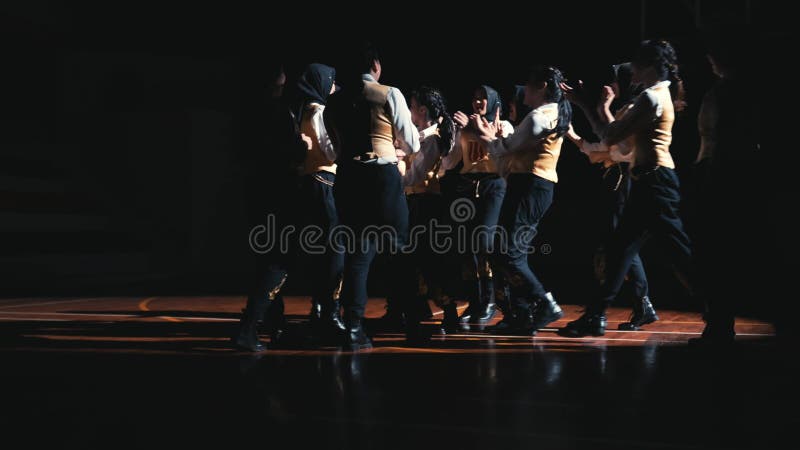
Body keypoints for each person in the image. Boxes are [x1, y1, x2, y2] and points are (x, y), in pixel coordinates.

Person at [562, 40, 692, 337]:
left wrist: (587, 106)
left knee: (680, 255)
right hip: (647, 181)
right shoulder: (655, 95)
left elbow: (610, 139)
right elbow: (617, 142)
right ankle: (595, 316)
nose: (631, 68)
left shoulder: (651, 97)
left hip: (656, 182)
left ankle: (718, 309)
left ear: (646, 66)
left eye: (635, 63)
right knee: (620, 251)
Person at [324, 42, 420, 350]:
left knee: (358, 257)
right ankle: (413, 324)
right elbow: (412, 142)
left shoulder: (335, 101)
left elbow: (335, 144)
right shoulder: (389, 93)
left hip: (350, 178)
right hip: (382, 177)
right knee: (400, 250)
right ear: (375, 65)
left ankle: (353, 327)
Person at [469, 66, 571, 335]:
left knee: (509, 253)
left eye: (529, 84)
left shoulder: (539, 116)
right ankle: (523, 314)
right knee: (509, 253)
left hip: (532, 185)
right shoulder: (550, 114)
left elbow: (503, 148)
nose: (524, 89)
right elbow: (508, 152)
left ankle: (545, 303)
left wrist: (482, 133)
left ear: (543, 87)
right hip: (532, 185)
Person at [565, 62, 658, 331]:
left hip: (623, 179)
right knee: (620, 244)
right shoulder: (625, 109)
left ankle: (628, 305)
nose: (611, 86)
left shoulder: (630, 109)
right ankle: (639, 304)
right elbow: (602, 150)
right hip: (616, 179)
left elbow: (614, 146)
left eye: (616, 81)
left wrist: (597, 113)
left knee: (621, 245)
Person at [233, 61, 312, 351]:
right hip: (278, 193)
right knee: (278, 261)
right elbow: (291, 152)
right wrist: (302, 144)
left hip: (256, 193)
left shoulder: (246, 114)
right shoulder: (279, 112)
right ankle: (249, 327)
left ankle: (275, 325)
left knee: (266, 259)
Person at [449, 85, 512, 329]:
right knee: (465, 247)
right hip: (467, 185)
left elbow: (503, 157)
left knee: (484, 243)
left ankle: (491, 301)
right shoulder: (464, 127)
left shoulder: (503, 126)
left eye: (483, 98)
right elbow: (453, 159)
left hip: (492, 184)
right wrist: (455, 132)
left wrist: (480, 131)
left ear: (493, 101)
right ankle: (475, 301)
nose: (478, 102)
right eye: (475, 98)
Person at [292, 63, 347, 340]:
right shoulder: (318, 111)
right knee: (335, 249)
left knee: (319, 250)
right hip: (324, 183)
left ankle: (319, 308)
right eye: (333, 82)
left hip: (311, 182)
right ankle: (330, 312)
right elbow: (330, 153)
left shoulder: (304, 109)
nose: (335, 88)